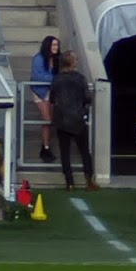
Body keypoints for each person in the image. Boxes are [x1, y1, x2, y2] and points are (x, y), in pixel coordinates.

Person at [48, 49, 97, 191]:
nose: (77, 61)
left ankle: (69, 182)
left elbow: (52, 98)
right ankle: (89, 180)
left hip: (62, 118)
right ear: (72, 62)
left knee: (65, 151)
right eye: (75, 59)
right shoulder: (80, 78)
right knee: (84, 151)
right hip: (77, 118)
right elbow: (87, 98)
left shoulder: (57, 78)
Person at [30, 34, 58, 162]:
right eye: (53, 45)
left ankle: (45, 145)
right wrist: (55, 79)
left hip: (52, 91)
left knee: (51, 119)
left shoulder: (58, 58)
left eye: (57, 45)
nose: (56, 47)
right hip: (40, 91)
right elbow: (38, 76)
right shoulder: (38, 58)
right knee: (47, 119)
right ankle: (45, 147)